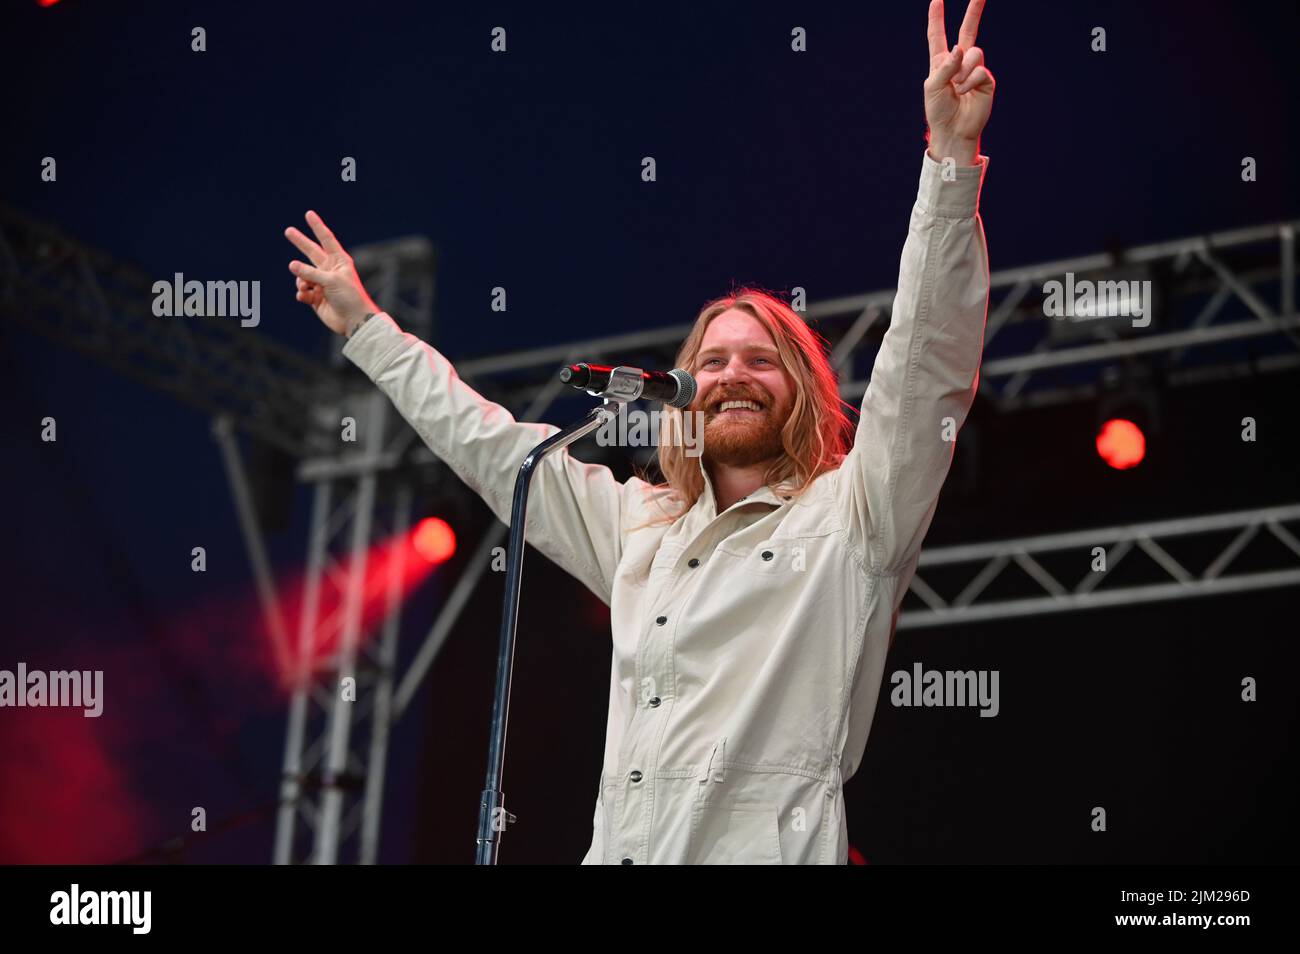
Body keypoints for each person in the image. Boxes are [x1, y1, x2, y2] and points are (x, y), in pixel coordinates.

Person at [284, 0, 994, 864]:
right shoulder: (641, 528)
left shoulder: (853, 518)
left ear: (802, 392)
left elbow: (924, 368)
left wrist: (950, 163)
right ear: (683, 394)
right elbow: (489, 443)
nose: (734, 373)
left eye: (762, 361)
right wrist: (368, 332)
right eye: (716, 360)